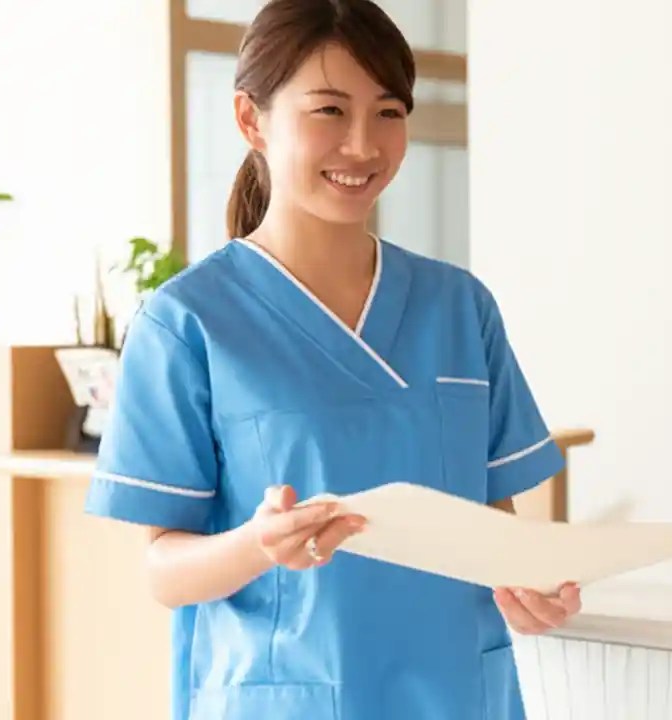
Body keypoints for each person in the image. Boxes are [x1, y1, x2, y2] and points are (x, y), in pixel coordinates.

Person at [84, 1, 581, 718]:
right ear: (252, 121)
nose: (363, 145)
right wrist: (259, 544)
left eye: (388, 112)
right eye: (328, 111)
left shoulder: (460, 308)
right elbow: (164, 572)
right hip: (286, 699)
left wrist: (529, 589)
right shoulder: (188, 322)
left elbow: (494, 526)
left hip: (460, 695)